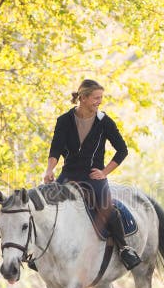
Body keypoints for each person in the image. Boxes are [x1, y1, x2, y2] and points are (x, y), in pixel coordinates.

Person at [42, 79, 142, 270]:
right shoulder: (64, 120)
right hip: (69, 174)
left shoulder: (105, 122)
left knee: (107, 208)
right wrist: (49, 170)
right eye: (96, 98)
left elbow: (122, 150)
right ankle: (39, 253)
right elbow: (55, 149)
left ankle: (124, 249)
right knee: (45, 201)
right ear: (83, 98)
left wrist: (104, 173)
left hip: (93, 176)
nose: (99, 101)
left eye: (101, 98)